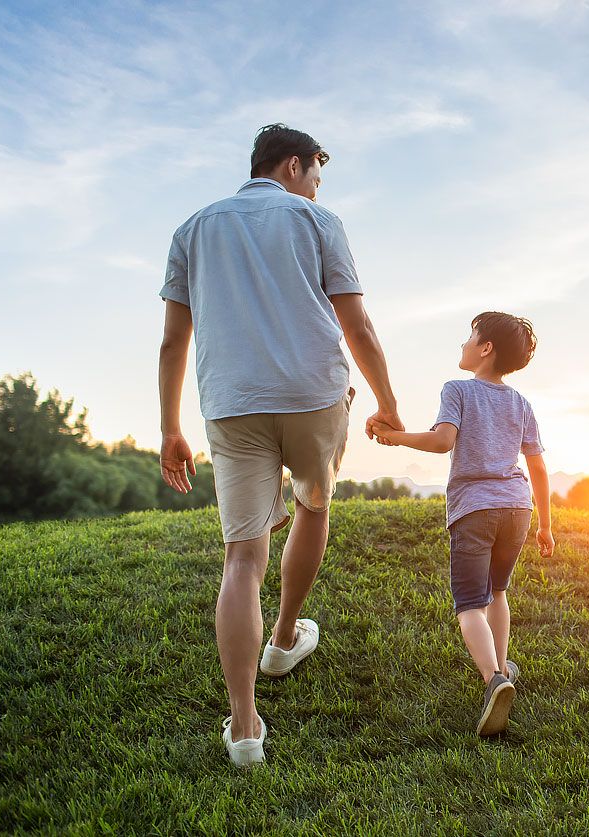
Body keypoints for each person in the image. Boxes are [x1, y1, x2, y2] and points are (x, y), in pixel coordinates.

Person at [157, 124, 404, 766]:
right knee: (313, 505)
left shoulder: (193, 229)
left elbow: (174, 341)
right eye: (316, 177)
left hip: (232, 401)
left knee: (242, 558)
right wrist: (387, 402)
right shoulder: (318, 222)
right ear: (294, 166)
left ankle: (244, 729)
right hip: (313, 394)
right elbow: (356, 323)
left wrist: (170, 428)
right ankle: (285, 637)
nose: (316, 190)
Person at [372, 312, 554, 736]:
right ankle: (502, 668)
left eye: (470, 337)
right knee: (498, 591)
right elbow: (538, 467)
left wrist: (393, 437)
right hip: (518, 508)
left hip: (474, 508)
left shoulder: (457, 389)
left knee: (470, 603)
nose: (463, 344)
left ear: (485, 348)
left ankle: (493, 680)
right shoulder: (521, 403)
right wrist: (545, 525)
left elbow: (442, 442)